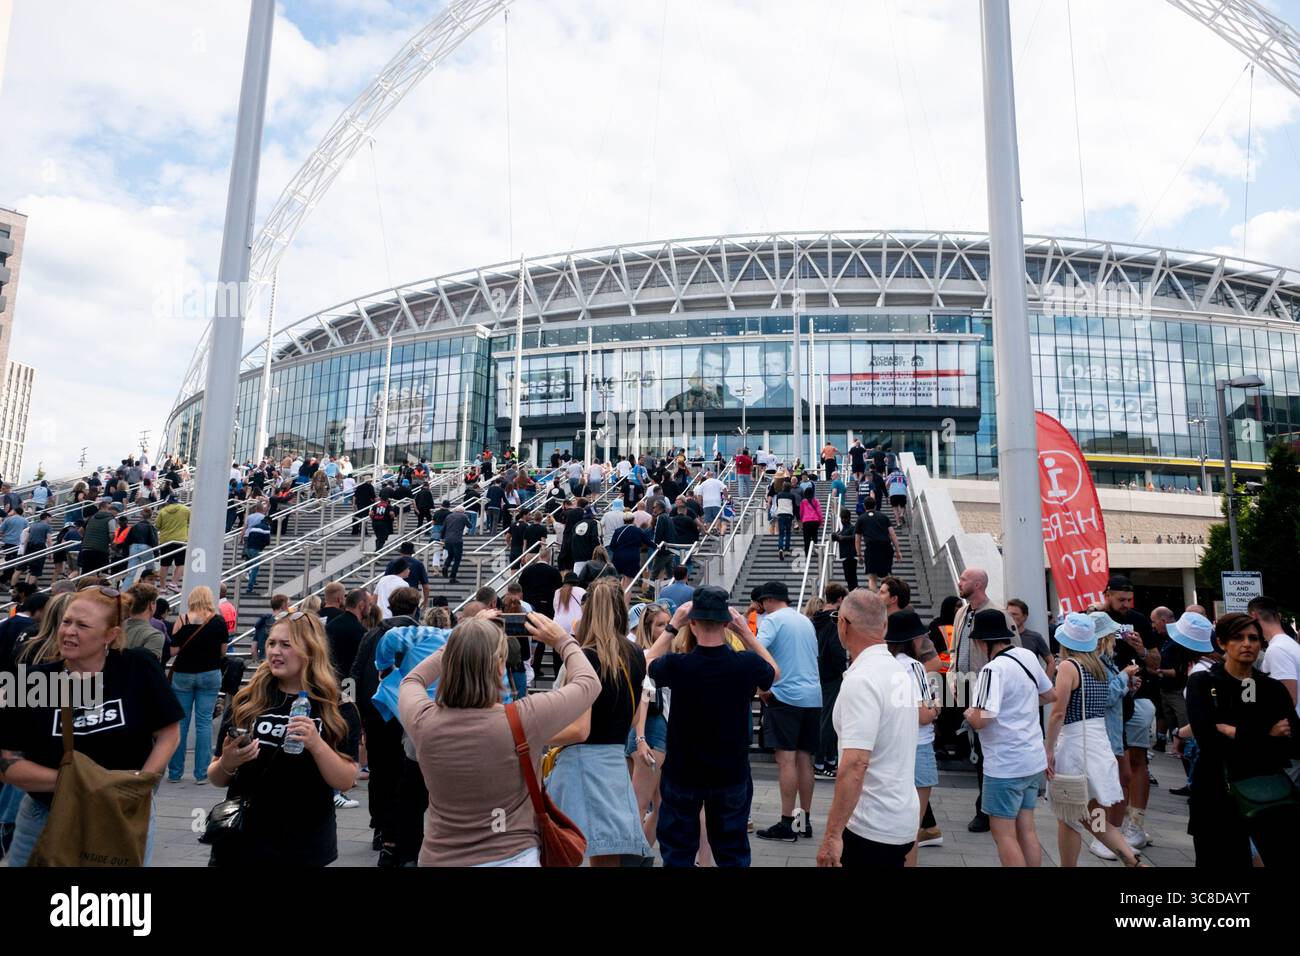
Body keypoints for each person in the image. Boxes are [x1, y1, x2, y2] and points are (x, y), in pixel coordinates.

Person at [0, 587, 182, 866]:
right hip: (45, 818)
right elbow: (7, 763)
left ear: (110, 634)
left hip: (123, 813)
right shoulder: (31, 681)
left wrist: (137, 785)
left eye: (82, 625)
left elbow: (169, 735)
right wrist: (86, 785)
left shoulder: (137, 667)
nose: (69, 631)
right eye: (66, 621)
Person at [399, 610, 598, 866]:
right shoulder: (524, 718)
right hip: (512, 854)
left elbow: (412, 680)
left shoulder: (423, 720)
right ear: (499, 665)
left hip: (440, 856)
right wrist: (562, 640)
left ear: (450, 661)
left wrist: (460, 641)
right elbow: (589, 682)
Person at [207, 611, 361, 866]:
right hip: (241, 842)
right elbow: (216, 777)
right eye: (271, 643)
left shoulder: (337, 707)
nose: (275, 651)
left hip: (303, 846)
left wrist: (316, 744)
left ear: (310, 651)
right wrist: (228, 761)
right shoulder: (248, 700)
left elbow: (345, 781)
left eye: (286, 645)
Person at [643, 587, 778, 866]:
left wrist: (672, 625)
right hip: (731, 772)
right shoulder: (745, 664)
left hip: (684, 771)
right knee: (732, 853)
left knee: (678, 852)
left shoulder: (679, 665)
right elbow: (773, 672)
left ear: (692, 623)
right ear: (727, 624)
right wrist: (747, 633)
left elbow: (645, 662)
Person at [546, 581, 651, 864]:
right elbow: (633, 718)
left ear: (587, 613)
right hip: (614, 764)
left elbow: (580, 729)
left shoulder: (583, 659)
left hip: (580, 766)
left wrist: (537, 734)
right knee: (607, 854)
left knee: (563, 851)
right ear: (621, 611)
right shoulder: (636, 655)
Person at [1184, 612, 1300, 867]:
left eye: (1253, 638)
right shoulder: (1203, 683)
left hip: (1268, 795)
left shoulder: (1271, 688)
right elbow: (1209, 742)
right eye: (1238, 637)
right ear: (1223, 643)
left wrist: (1236, 732)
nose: (1247, 643)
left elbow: (1293, 743)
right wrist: (1267, 734)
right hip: (1216, 794)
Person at [813, 589, 919, 867]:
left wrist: (833, 835)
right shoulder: (898, 671)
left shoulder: (862, 680)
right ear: (884, 625)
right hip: (901, 816)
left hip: (870, 824)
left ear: (843, 624)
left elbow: (856, 762)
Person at [1044, 613, 1148, 867]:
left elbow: (1058, 712)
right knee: (1091, 814)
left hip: (1074, 744)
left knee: (1068, 816)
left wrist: (1047, 750)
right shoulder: (1101, 667)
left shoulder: (1069, 666)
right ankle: (1131, 859)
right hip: (1098, 742)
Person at [964, 609, 1055, 866]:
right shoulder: (1026, 656)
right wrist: (1020, 704)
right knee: (1026, 828)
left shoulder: (991, 671)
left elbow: (983, 719)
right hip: (1032, 759)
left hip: (1005, 764)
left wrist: (970, 714)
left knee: (1003, 833)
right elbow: (1051, 695)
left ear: (982, 642)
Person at [948, 566, 1021, 833]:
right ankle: (986, 804)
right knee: (974, 748)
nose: (960, 582)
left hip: (987, 689)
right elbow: (955, 648)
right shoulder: (961, 613)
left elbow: (1014, 651)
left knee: (987, 748)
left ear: (978, 584)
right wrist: (954, 678)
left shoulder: (999, 614)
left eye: (964, 579)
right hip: (964, 688)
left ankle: (986, 808)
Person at [753, 581, 823, 843]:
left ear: (768, 600)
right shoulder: (805, 621)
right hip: (812, 698)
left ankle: (786, 823)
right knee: (805, 759)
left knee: (787, 760)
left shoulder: (772, 621)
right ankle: (802, 821)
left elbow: (758, 653)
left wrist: (762, 687)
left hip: (785, 697)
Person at [1101, 574, 1159, 850]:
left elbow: (1156, 662)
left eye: (1129, 600)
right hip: (1108, 699)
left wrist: (1142, 649)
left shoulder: (1140, 620)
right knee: (1109, 763)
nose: (1125, 604)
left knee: (1136, 759)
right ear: (1107, 594)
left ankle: (1134, 824)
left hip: (1139, 698)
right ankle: (1109, 827)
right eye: (1120, 599)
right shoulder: (1094, 619)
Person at [885, 608, 942, 867]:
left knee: (890, 825)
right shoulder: (914, 667)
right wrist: (935, 707)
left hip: (889, 748)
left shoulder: (882, 665)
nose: (923, 641)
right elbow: (922, 715)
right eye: (921, 637)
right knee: (911, 829)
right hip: (917, 747)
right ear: (913, 639)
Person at [166, 585, 229, 783]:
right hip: (210, 674)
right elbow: (223, 652)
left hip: (183, 675)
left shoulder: (183, 620)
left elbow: (173, 651)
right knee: (204, 723)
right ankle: (202, 774)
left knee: (181, 724)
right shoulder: (218, 621)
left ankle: (175, 773)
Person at [628, 603, 671, 848]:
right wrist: (641, 737)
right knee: (639, 803)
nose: (666, 629)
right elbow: (645, 696)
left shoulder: (664, 657)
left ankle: (640, 854)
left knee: (661, 805)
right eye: (660, 625)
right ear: (648, 628)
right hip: (649, 730)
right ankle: (632, 856)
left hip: (652, 730)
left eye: (668, 623)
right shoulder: (645, 656)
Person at [811, 584, 849, 779]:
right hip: (832, 676)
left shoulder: (814, 619)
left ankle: (827, 759)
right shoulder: (835, 621)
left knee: (822, 718)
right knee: (828, 720)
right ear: (840, 599)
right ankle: (821, 762)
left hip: (815, 674)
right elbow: (837, 650)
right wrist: (844, 671)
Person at [854, 496, 902, 591]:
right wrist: (898, 551)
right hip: (886, 547)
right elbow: (892, 534)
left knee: (872, 578)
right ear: (875, 506)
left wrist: (859, 555)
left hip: (871, 549)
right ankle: (886, 598)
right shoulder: (883, 516)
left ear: (864, 506)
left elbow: (857, 540)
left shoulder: (861, 519)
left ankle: (875, 601)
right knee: (886, 576)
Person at [1007, 598, 1055, 681]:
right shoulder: (1001, 637)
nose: (1011, 617)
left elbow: (1051, 661)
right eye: (1009, 614)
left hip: (1031, 688)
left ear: (1024, 617)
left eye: (1015, 614)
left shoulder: (1035, 637)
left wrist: (1046, 685)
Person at [326, 589, 369, 681]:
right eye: (369, 604)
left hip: (330, 679)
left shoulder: (331, 625)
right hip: (349, 684)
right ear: (361, 605)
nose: (370, 608)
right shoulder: (360, 631)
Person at [156, 495, 191, 593]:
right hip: (180, 541)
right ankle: (173, 583)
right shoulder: (185, 510)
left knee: (164, 565)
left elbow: (157, 526)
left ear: (168, 502)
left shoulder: (162, 511)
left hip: (166, 541)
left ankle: (162, 587)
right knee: (181, 564)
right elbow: (191, 521)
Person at [123, 584, 166, 660]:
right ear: (151, 605)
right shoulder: (154, 636)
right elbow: (149, 669)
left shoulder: (115, 630)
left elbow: (100, 667)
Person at [439, 505, 471, 583]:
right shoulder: (463, 516)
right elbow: (470, 526)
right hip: (457, 540)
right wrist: (466, 518)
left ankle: (445, 567)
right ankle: (452, 577)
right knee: (457, 559)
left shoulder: (448, 516)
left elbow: (443, 529)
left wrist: (442, 539)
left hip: (448, 540)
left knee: (450, 555)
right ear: (463, 511)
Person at [798, 485, 823, 566]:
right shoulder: (816, 501)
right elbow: (819, 511)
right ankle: (815, 551)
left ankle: (807, 554)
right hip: (815, 521)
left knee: (806, 538)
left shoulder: (803, 502)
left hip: (806, 521)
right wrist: (821, 521)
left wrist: (801, 520)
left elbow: (801, 512)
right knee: (815, 536)